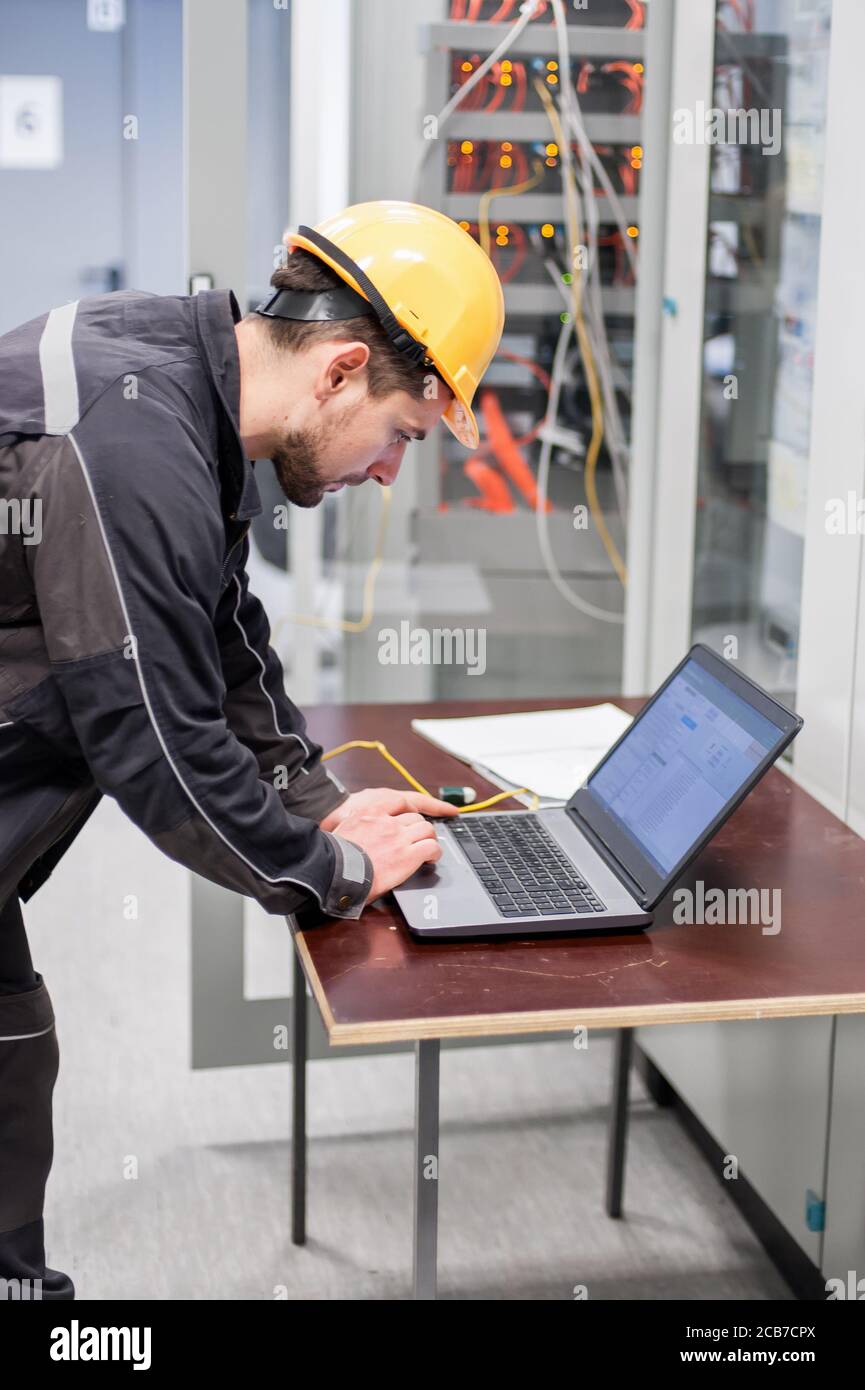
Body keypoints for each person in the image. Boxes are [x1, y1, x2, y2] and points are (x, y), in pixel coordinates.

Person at [0, 200, 505, 1299]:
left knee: (9, 1053)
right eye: (403, 436)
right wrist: (330, 874)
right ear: (340, 369)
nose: (385, 475)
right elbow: (158, 741)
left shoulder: (186, 380)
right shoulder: (129, 444)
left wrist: (316, 803)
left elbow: (223, 641)